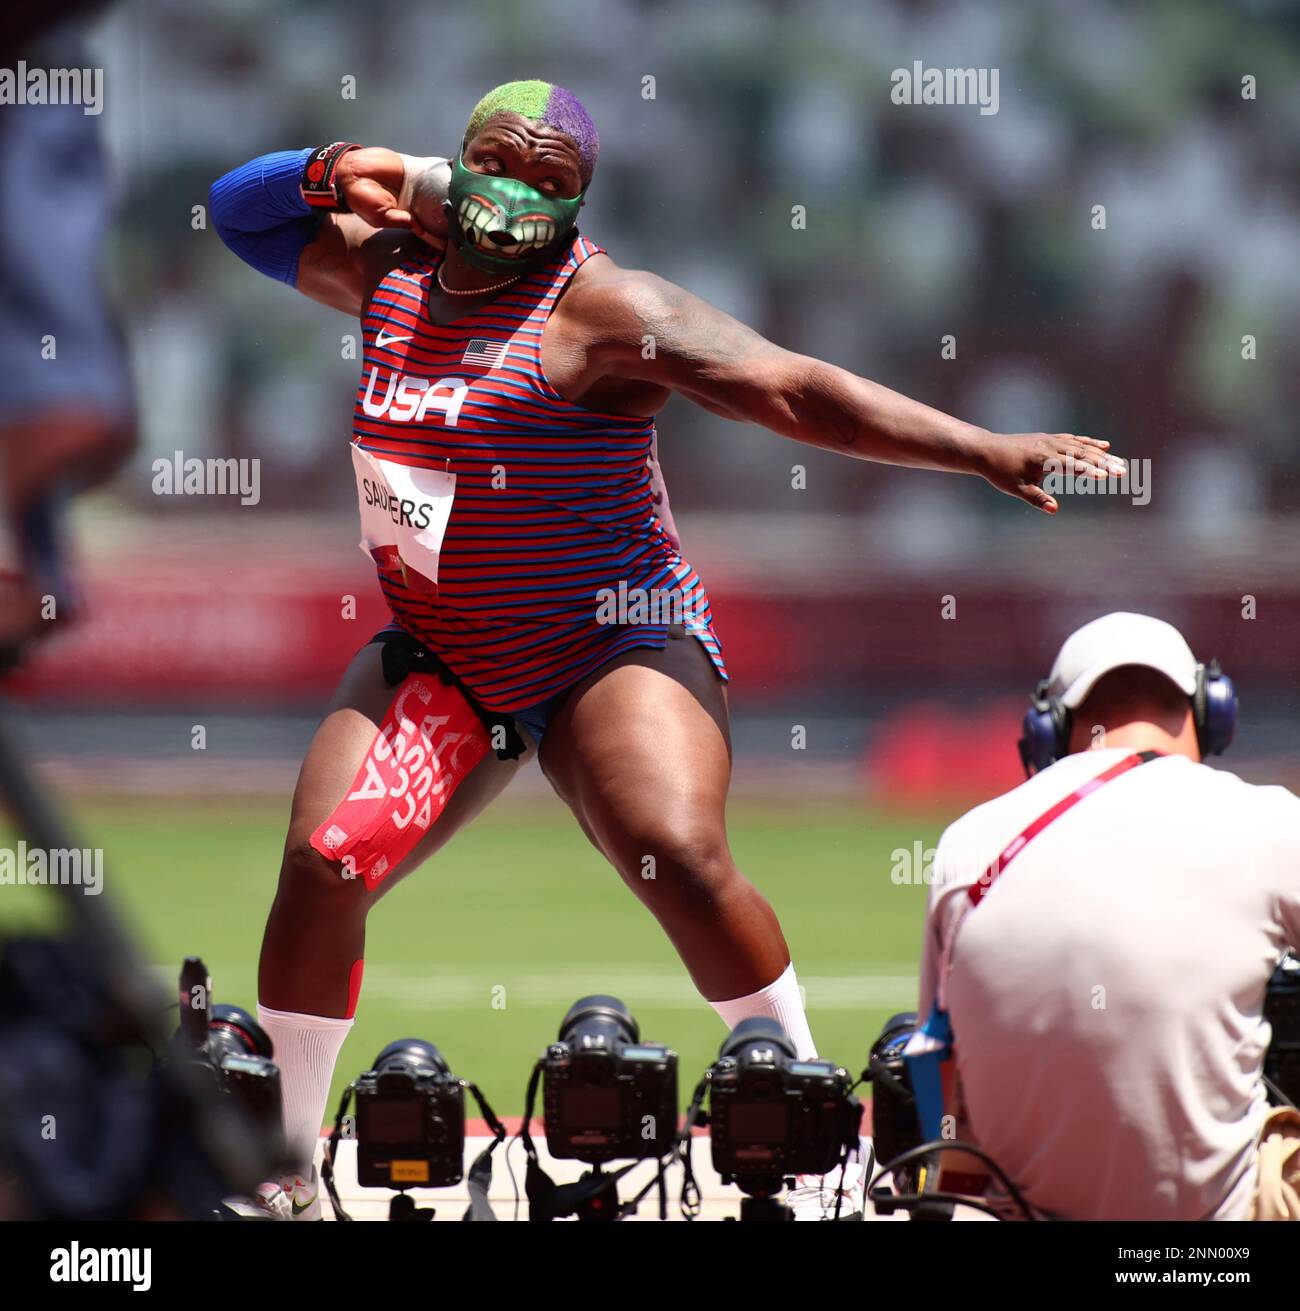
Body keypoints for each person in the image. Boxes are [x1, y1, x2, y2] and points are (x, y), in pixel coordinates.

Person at [210, 79, 1122, 1219]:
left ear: (581, 201)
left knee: (673, 850)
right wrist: (338, 164)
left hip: (610, 643)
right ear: (454, 164)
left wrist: (980, 450)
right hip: (444, 654)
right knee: (325, 864)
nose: (518, 196)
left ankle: (815, 1127)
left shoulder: (601, 311)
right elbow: (234, 211)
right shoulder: (384, 267)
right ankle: (291, 1158)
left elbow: (792, 389)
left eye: (552, 182)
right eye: (498, 164)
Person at [912, 611, 1300, 1220]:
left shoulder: (966, 843)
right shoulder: (1271, 822)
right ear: (1210, 712)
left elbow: (939, 1072)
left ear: (1047, 729)